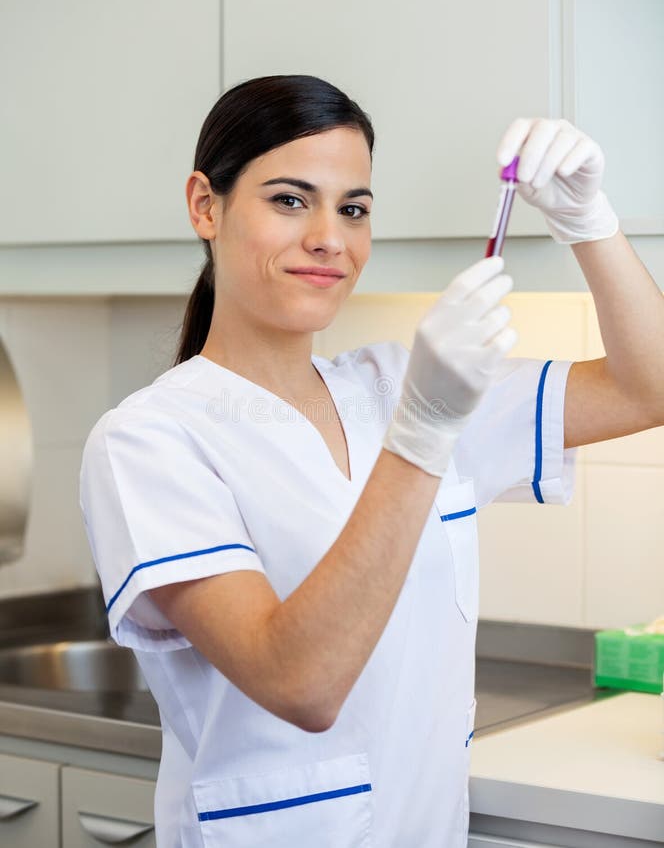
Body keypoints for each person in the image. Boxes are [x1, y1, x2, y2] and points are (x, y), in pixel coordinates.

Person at [79, 74, 664, 848]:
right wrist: (422, 433)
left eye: (353, 208)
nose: (330, 237)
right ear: (204, 205)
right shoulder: (149, 440)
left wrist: (589, 222)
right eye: (290, 200)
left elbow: (646, 388)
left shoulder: (395, 384)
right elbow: (300, 682)